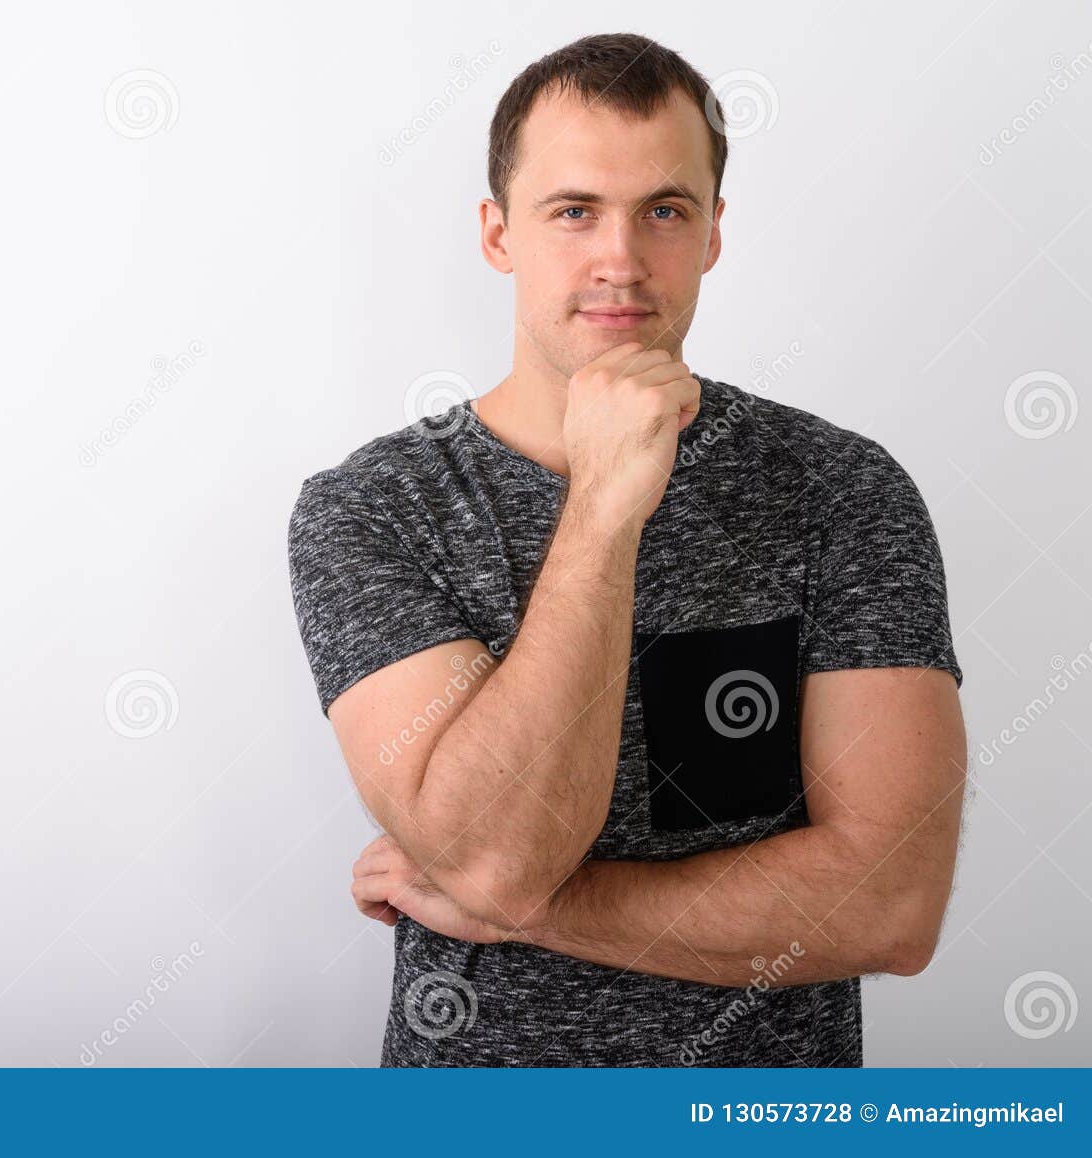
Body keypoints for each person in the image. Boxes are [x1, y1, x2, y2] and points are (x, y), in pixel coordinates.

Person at [285, 31, 967, 1067]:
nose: (620, 258)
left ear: (711, 234)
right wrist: (604, 504)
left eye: (663, 209)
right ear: (497, 233)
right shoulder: (374, 510)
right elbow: (499, 857)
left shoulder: (841, 489)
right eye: (572, 211)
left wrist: (524, 910)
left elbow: (888, 908)